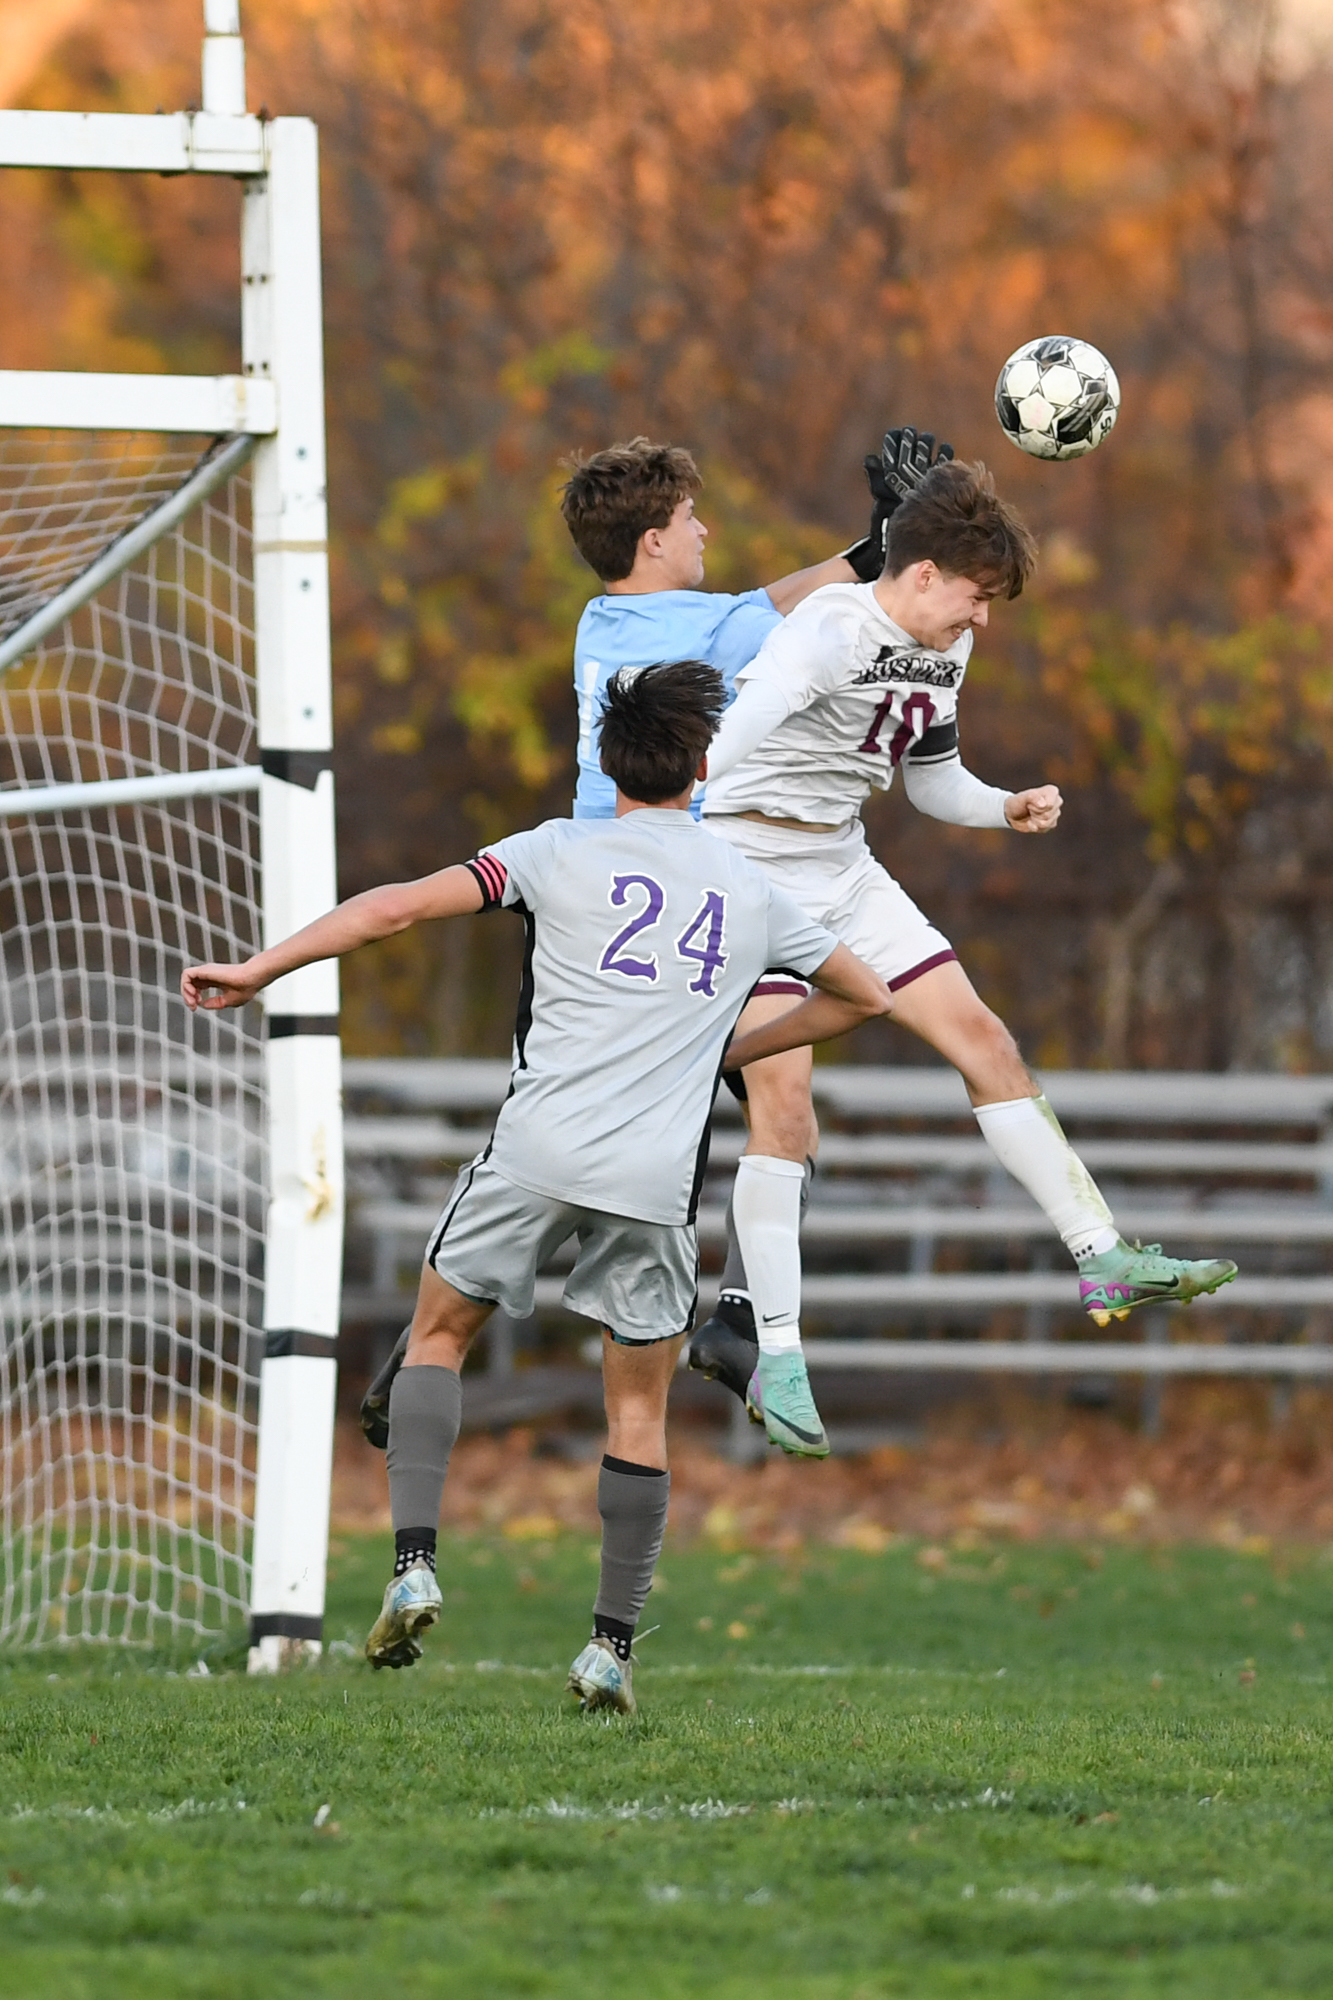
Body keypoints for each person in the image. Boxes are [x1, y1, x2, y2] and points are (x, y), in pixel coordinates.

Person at [181, 662, 891, 1713]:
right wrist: (728, 1047)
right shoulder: (748, 887)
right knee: (636, 1407)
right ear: (702, 767)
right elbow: (865, 995)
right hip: (654, 1177)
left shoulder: (553, 850)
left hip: (534, 1152)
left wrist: (259, 968)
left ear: (607, 765)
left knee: (434, 1334)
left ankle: (414, 1559)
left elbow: (391, 911)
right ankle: (608, 1646)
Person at [689, 456, 1239, 1411]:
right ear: (922, 572)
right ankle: (773, 1354)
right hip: (747, 871)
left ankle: (1101, 1257)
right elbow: (726, 744)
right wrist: (653, 831)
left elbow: (929, 777)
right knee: (786, 1110)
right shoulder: (827, 628)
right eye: (976, 597)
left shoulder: (944, 643)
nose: (982, 618)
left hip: (843, 866)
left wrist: (1001, 807)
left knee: (984, 1040)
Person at [560, 429, 943, 1449]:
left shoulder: (612, 617)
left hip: (679, 909)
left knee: (783, 1102)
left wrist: (874, 544)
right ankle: (463, 1309)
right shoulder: (692, 627)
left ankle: (738, 1321)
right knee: (618, 1147)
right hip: (663, 923)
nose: (704, 530)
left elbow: (763, 605)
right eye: (689, 519)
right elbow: (804, 603)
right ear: (651, 539)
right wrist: (886, 542)